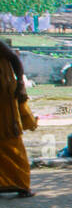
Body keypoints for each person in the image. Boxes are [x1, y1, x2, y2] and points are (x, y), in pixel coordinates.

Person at [0, 38, 36, 197]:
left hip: (4, 97)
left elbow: (14, 59)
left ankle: (22, 184)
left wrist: (21, 84)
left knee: (10, 139)